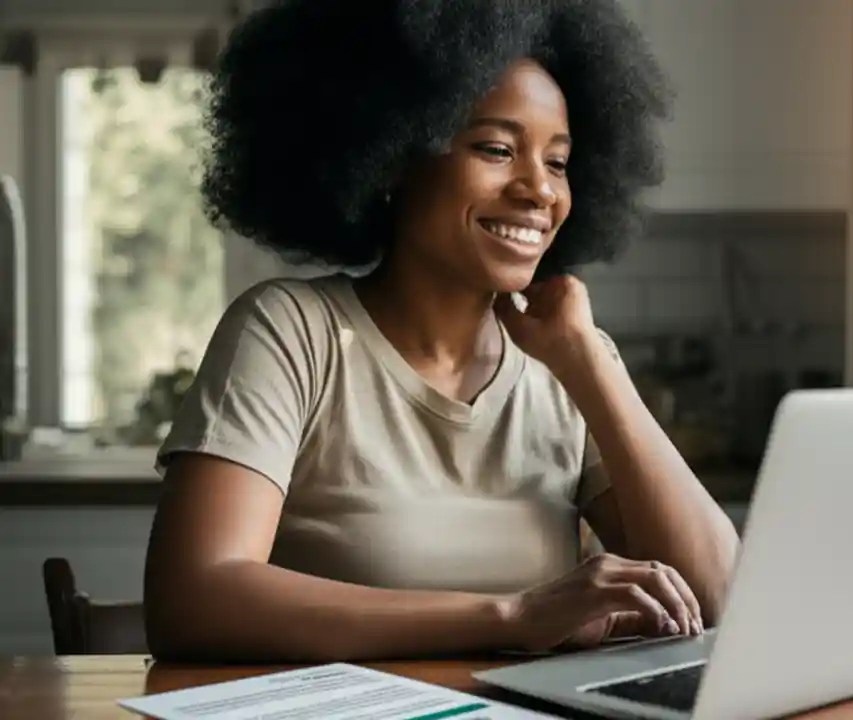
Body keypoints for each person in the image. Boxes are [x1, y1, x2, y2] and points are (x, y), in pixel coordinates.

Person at [143, 0, 740, 662]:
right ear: (394, 156)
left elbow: (717, 599)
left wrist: (592, 368)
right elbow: (194, 598)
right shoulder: (291, 333)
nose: (539, 190)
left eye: (560, 162)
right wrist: (512, 616)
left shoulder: (564, 364)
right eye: (496, 149)